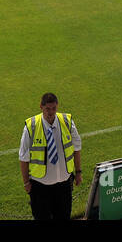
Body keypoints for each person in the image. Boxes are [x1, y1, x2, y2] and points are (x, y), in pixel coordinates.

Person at [19, 92, 82, 220]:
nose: (50, 112)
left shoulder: (67, 121)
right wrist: (26, 182)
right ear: (41, 107)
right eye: (47, 109)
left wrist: (78, 172)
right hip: (40, 187)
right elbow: (23, 157)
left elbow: (77, 148)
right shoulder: (31, 126)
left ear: (57, 106)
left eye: (53, 108)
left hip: (64, 186)